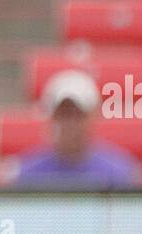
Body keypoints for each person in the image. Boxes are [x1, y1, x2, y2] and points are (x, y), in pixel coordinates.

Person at [11, 70, 139, 188]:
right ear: (51, 118)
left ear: (92, 117)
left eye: (78, 115)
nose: (71, 123)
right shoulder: (25, 175)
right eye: (64, 114)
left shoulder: (121, 174)